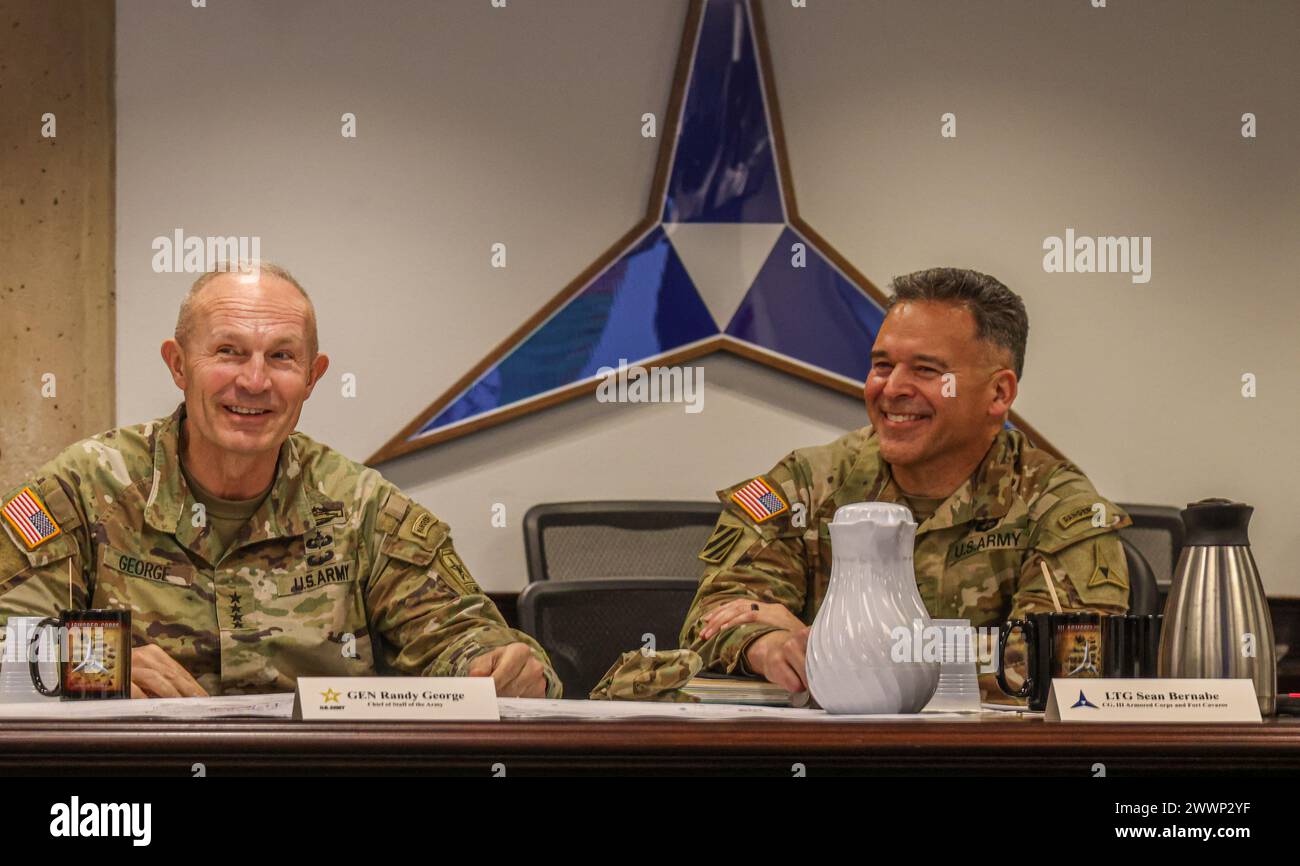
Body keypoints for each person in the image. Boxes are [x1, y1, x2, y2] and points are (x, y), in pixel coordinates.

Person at [0, 262, 559, 699]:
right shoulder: (87, 486)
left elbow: (468, 642)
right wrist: (101, 662)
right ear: (178, 365)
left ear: (313, 377)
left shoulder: (363, 510)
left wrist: (501, 667)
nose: (255, 380)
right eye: (228, 352)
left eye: (283, 357)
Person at [678, 267, 1130, 699]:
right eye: (881, 365)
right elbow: (712, 618)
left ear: (999, 393)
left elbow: (1068, 659)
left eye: (926, 370)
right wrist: (769, 644)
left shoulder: (1056, 504)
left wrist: (843, 649)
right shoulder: (806, 484)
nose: (891, 387)